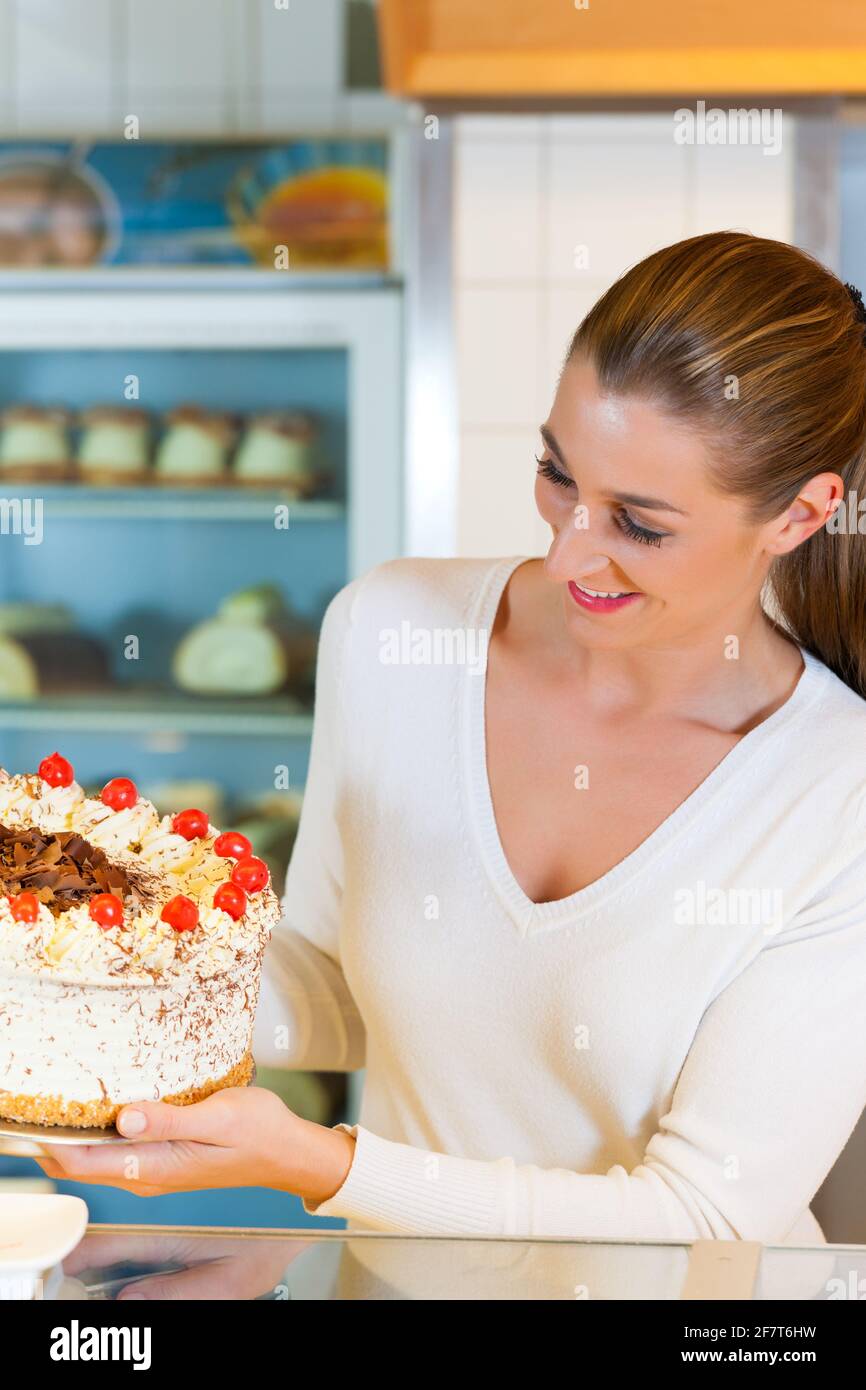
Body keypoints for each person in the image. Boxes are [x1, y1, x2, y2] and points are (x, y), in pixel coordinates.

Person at [40, 231, 866, 1248]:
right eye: (557, 476)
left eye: (638, 526)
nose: (569, 551)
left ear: (798, 513)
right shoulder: (393, 632)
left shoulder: (837, 790)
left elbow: (704, 1212)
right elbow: (336, 984)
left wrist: (325, 1167)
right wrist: (69, 987)